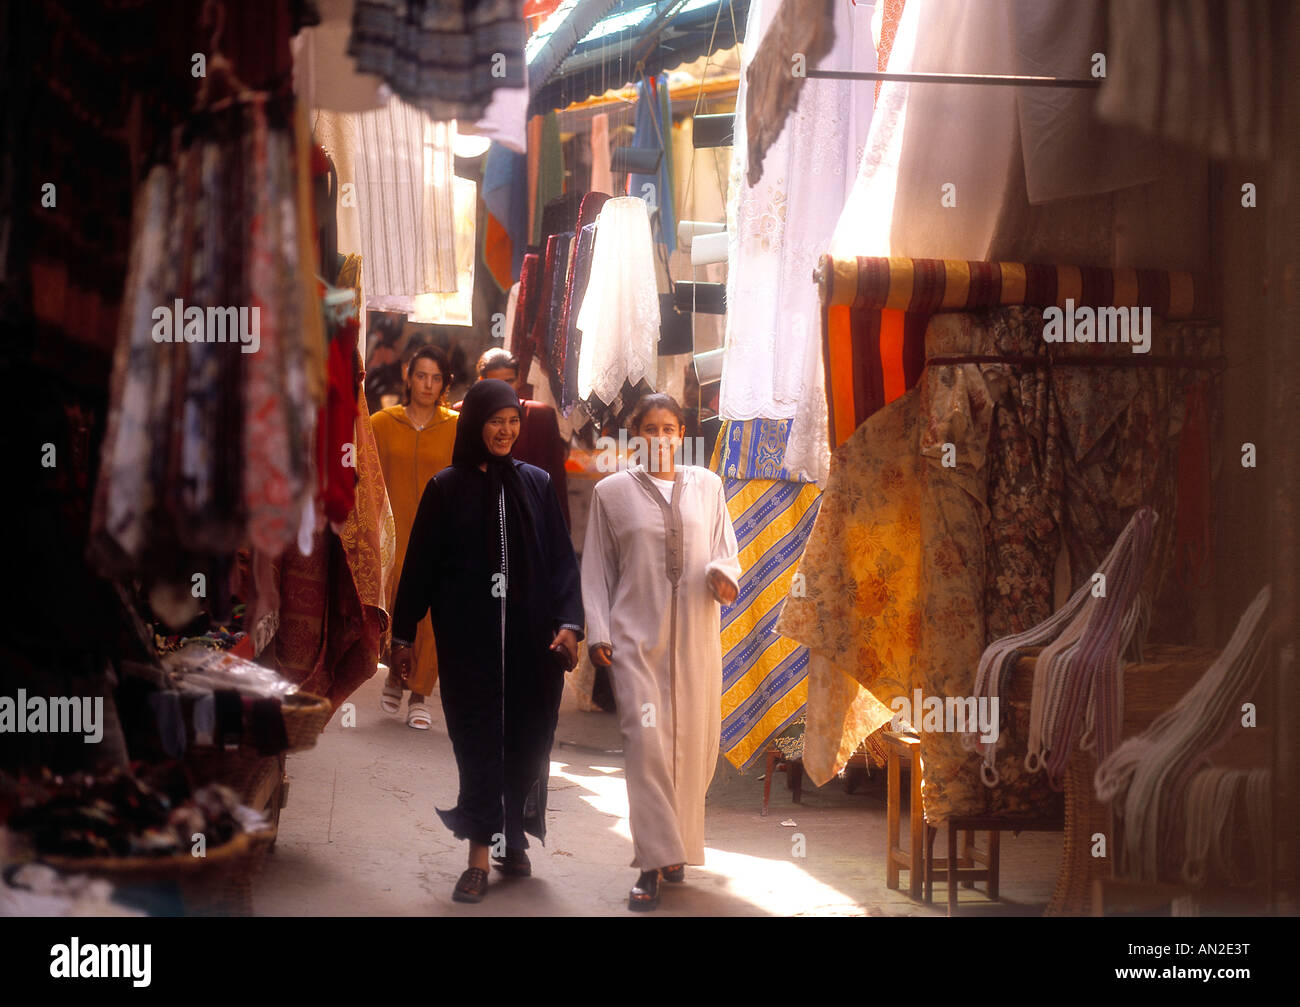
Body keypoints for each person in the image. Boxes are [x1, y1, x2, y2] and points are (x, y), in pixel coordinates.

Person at [391, 379, 584, 903]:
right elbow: (420, 568)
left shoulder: (537, 483)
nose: (505, 431)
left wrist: (570, 623)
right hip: (469, 648)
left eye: (512, 421)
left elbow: (562, 563)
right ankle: (478, 859)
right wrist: (403, 634)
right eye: (495, 421)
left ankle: (511, 836)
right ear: (476, 422)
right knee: (478, 748)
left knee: (525, 744)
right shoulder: (446, 487)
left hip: (530, 648)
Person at [580, 393, 742, 911]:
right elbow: (597, 572)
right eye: (650, 429)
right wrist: (599, 631)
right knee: (645, 746)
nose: (662, 438)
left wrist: (723, 577)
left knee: (692, 745)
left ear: (682, 433)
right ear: (636, 436)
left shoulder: (708, 487)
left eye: (670, 428)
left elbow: (725, 551)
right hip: (636, 640)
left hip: (696, 635)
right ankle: (650, 863)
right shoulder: (611, 493)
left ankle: (675, 848)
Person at [370, 344, 459, 729]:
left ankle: (421, 693)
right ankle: (393, 675)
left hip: (440, 536)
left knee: (431, 617)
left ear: (445, 383)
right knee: (391, 607)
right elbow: (365, 478)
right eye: (421, 375)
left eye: (436, 378)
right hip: (393, 535)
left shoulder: (458, 427)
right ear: (408, 376)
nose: (428, 384)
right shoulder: (381, 422)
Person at [456, 348, 571, 528]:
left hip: (530, 520)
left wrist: (560, 530)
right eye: (496, 382)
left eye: (509, 381)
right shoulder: (461, 414)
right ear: (481, 382)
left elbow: (555, 477)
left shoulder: (540, 415)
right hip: (475, 516)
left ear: (519, 380)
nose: (503, 388)